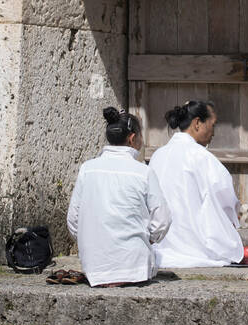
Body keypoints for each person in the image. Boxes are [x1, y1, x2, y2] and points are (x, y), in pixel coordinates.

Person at [67, 107, 172, 287]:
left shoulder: (87, 169)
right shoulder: (143, 172)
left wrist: (93, 238)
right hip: (135, 268)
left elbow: (73, 220)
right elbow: (162, 220)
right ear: (132, 138)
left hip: (94, 269)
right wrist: (149, 239)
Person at [150, 100, 243, 268]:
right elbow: (226, 199)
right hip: (194, 250)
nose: (214, 133)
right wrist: (233, 215)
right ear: (197, 123)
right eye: (212, 125)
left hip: (159, 248)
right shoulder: (201, 157)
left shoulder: (158, 155)